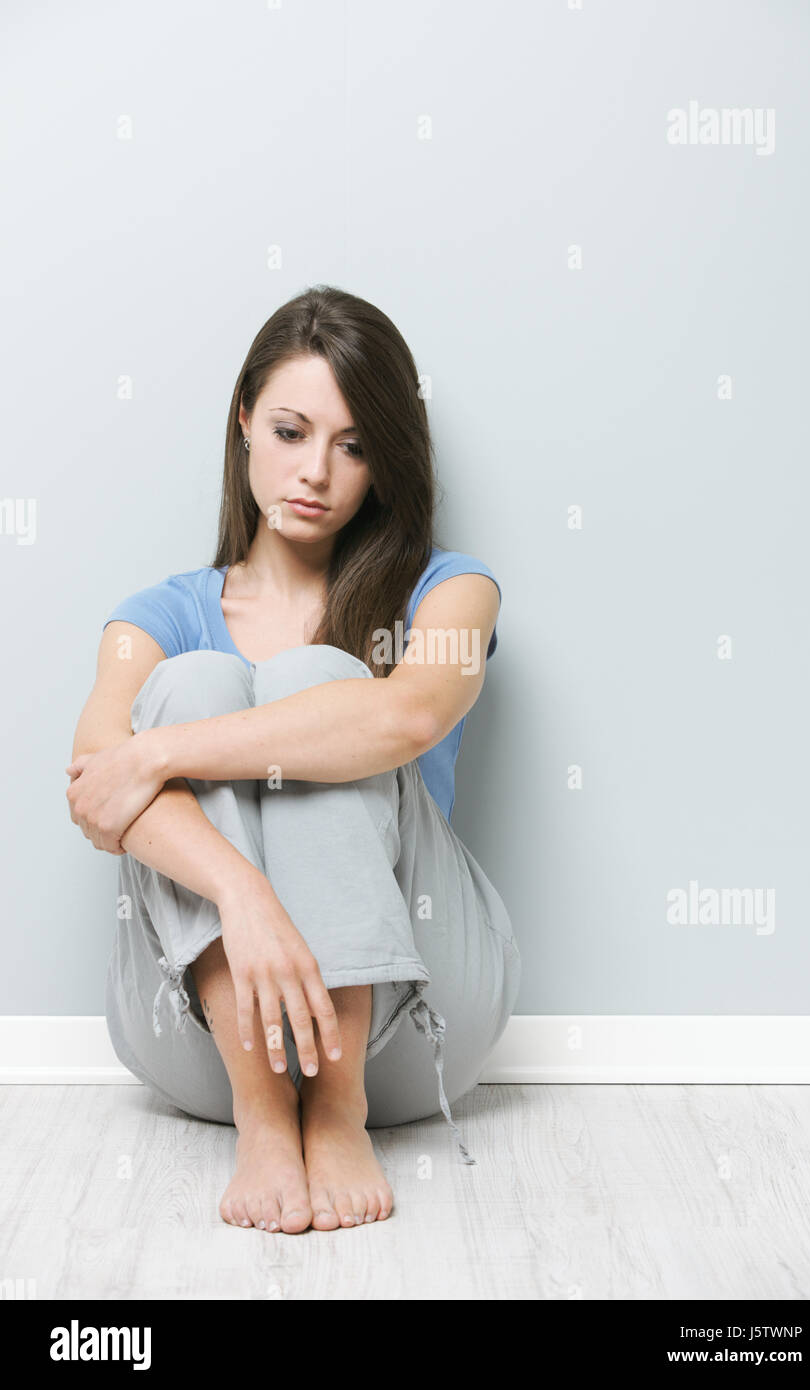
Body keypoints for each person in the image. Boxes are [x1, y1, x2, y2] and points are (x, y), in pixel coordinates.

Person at [66, 284, 521, 1235]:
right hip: (206, 1042)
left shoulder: (452, 591)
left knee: (318, 679)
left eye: (353, 445)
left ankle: (338, 1106)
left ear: (385, 460)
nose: (315, 471)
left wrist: (166, 752)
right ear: (243, 421)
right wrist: (243, 894)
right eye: (289, 431)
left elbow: (404, 718)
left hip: (412, 1035)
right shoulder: (156, 617)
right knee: (193, 681)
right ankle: (267, 1117)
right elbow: (98, 788)